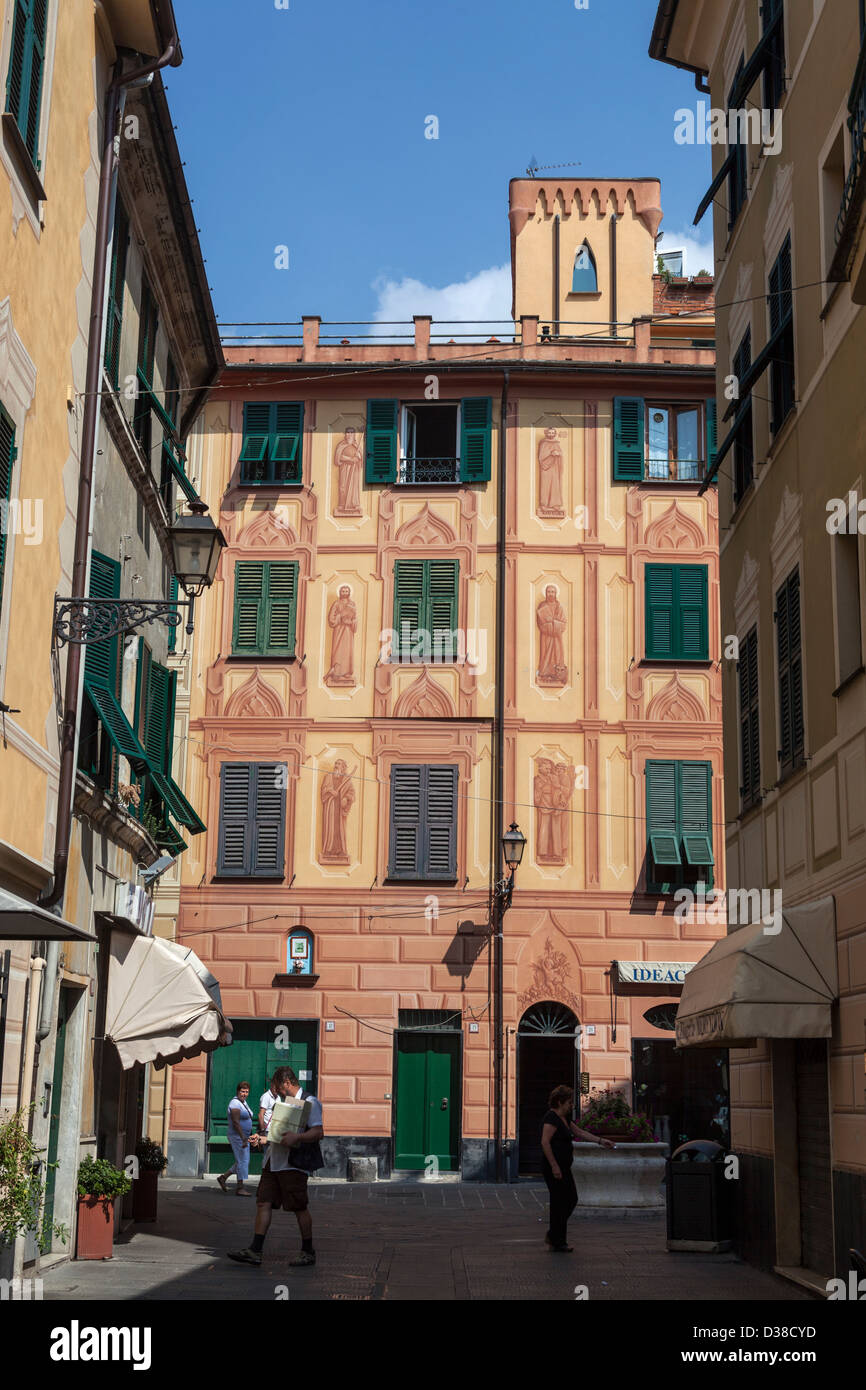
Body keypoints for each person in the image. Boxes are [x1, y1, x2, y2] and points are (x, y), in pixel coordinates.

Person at [228, 1066, 324, 1268]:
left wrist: (298, 1137)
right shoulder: (285, 1103)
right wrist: (262, 1139)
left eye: (278, 1087)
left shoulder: (310, 1102)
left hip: (293, 1165)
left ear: (287, 1083)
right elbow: (277, 1134)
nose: (277, 1091)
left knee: (299, 1206)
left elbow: (318, 1132)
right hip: (273, 1162)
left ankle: (308, 1252)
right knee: (263, 1202)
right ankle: (255, 1250)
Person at [540, 1085, 615, 1252]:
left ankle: (554, 1236)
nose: (571, 1105)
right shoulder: (551, 1118)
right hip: (554, 1168)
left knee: (570, 1199)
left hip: (564, 1167)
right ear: (560, 1102)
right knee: (560, 1202)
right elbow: (545, 1142)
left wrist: (601, 1141)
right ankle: (558, 1241)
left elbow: (580, 1133)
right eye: (569, 1102)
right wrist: (554, 1166)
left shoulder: (565, 1119)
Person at [218, 1081, 255, 1195]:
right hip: (237, 1136)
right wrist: (243, 1137)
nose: (244, 1094)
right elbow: (236, 1122)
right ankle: (240, 1188)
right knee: (242, 1161)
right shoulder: (235, 1103)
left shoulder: (243, 1102)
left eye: (247, 1092)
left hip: (244, 1136)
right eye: (242, 1091)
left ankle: (224, 1177)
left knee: (243, 1160)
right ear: (238, 1091)